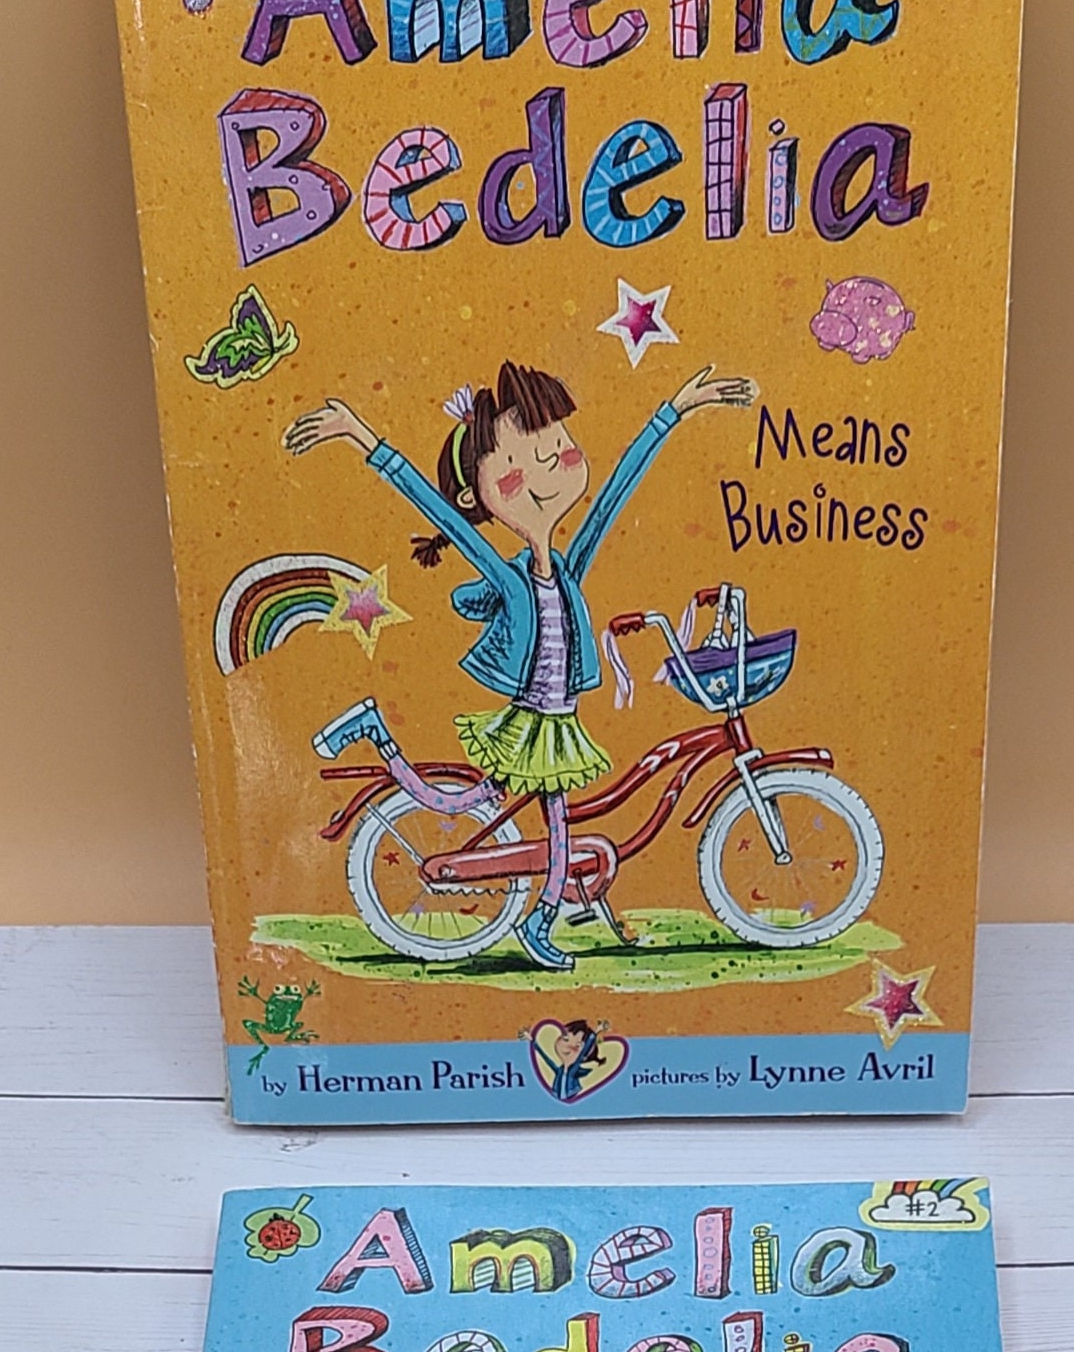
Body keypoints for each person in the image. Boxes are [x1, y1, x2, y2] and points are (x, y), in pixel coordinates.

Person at [285, 358, 755, 970]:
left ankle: (538, 910)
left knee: (488, 807)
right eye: (520, 460)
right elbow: (439, 513)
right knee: (486, 810)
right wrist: (365, 440)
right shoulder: (509, 581)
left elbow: (613, 498)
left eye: (556, 445)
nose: (551, 463)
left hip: (557, 719)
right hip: (533, 721)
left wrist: (672, 412)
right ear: (476, 493)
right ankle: (537, 918)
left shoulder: (566, 569)